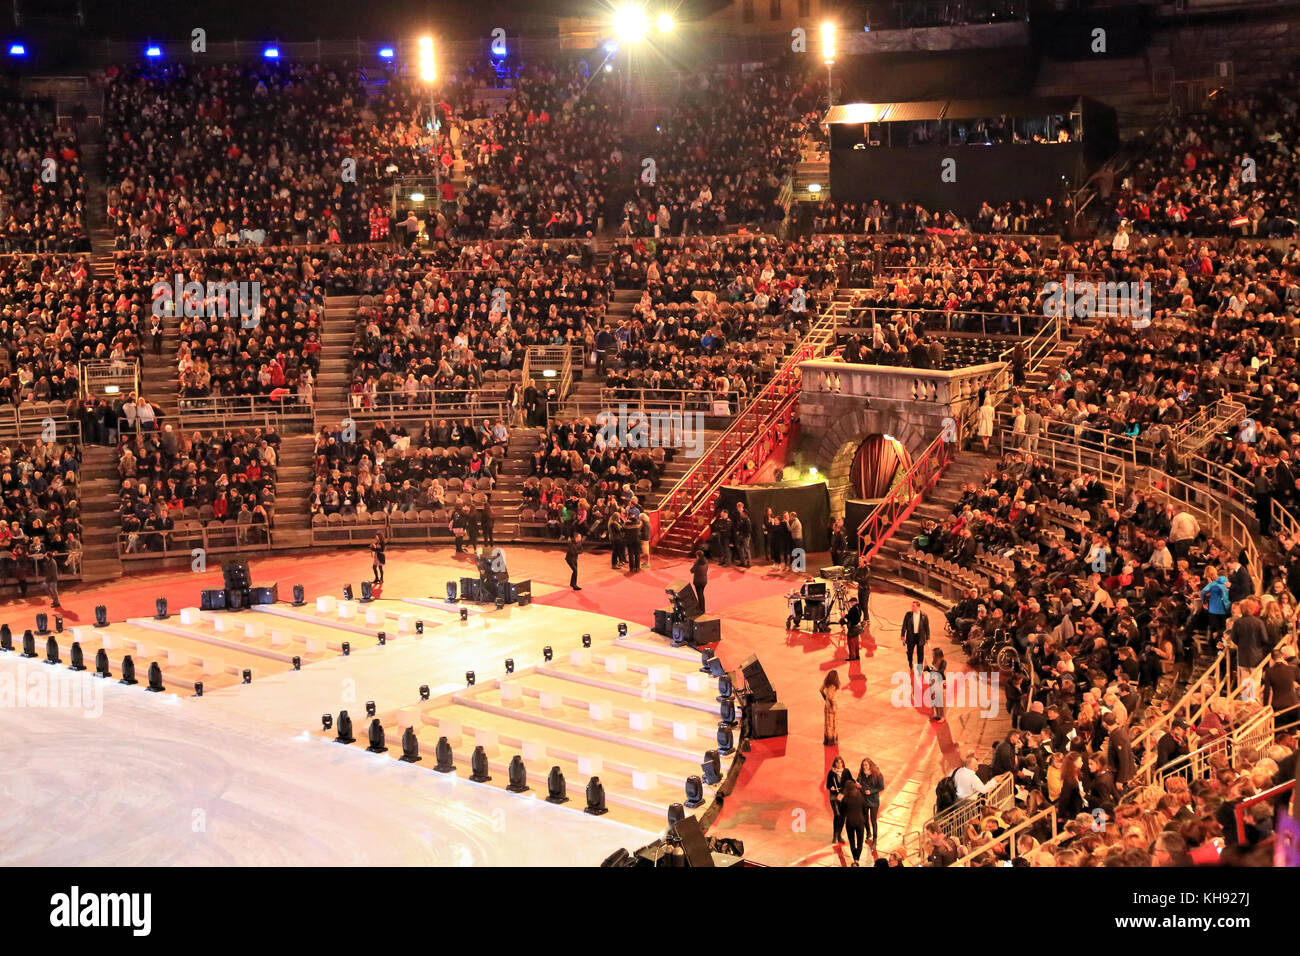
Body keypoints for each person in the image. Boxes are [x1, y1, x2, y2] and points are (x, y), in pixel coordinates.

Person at [857, 757, 886, 847]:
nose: (864, 767)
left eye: (866, 765)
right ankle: (868, 832)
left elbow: (881, 787)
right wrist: (857, 784)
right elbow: (857, 781)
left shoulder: (877, 774)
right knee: (865, 818)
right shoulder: (861, 774)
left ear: (870, 765)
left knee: (873, 820)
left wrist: (871, 791)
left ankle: (875, 839)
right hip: (864, 800)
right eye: (863, 765)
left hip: (873, 801)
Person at [841, 779, 868, 865]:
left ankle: (855, 858)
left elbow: (842, 811)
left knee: (852, 842)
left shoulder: (845, 798)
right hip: (860, 821)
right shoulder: (861, 796)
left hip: (850, 822)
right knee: (860, 842)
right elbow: (865, 810)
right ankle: (857, 860)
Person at [826, 753, 850, 844]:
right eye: (837, 763)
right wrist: (831, 787)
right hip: (834, 797)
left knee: (843, 816)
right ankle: (834, 835)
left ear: (843, 763)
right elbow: (828, 784)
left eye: (840, 763)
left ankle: (839, 835)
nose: (839, 764)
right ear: (834, 764)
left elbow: (851, 780)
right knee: (837, 815)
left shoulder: (846, 771)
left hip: (843, 796)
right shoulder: (831, 773)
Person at [901, 599, 930, 674]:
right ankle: (910, 663)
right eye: (912, 606)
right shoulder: (908, 615)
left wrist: (928, 638)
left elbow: (927, 627)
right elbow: (904, 625)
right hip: (911, 636)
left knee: (920, 653)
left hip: (920, 637)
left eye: (914, 606)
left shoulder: (924, 616)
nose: (912, 608)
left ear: (918, 607)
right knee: (909, 652)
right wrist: (903, 635)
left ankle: (919, 668)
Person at [926, 647, 948, 721]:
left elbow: (941, 672)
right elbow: (930, 670)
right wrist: (928, 668)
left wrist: (934, 670)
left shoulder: (943, 662)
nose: (932, 656)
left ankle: (941, 715)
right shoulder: (934, 661)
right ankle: (936, 714)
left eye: (933, 654)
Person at [821, 670, 841, 746]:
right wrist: (832, 706)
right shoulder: (833, 686)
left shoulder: (826, 683)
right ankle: (831, 741)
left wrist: (825, 699)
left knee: (827, 723)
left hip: (826, 706)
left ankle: (826, 740)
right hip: (832, 707)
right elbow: (830, 697)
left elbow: (821, 690)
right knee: (832, 724)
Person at [844, 595, 864, 661]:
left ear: (854, 602)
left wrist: (846, 618)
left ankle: (852, 657)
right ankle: (857, 655)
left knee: (851, 642)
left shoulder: (853, 609)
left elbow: (851, 618)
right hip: (858, 627)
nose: (850, 604)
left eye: (851, 602)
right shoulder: (859, 607)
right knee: (856, 642)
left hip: (853, 628)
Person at [733, 502, 752, 568]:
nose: (741, 514)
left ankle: (749, 563)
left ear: (745, 514)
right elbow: (739, 527)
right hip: (741, 536)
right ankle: (742, 562)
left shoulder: (747, 520)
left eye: (743, 513)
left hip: (745, 537)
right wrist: (738, 532)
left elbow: (749, 530)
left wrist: (743, 535)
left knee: (746, 549)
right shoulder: (742, 519)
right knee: (741, 549)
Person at [691, 549, 709, 613]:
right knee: (702, 594)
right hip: (704, 581)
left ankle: (702, 609)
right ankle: (701, 607)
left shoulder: (697, 563)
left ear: (698, 556)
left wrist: (694, 564)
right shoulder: (706, 561)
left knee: (699, 595)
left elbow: (691, 571)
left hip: (698, 581)